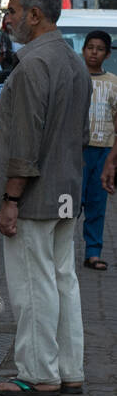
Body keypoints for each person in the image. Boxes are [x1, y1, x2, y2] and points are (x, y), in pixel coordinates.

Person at [0, 0, 90, 396]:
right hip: (65, 192)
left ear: (34, 15)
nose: (6, 20)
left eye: (11, 11)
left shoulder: (32, 65)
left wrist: (11, 200)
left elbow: (26, 145)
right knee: (62, 280)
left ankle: (37, 372)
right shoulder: (73, 61)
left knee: (34, 285)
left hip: (33, 198)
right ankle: (69, 370)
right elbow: (76, 133)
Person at [79, 30, 117, 270]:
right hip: (76, 152)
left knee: (97, 204)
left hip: (103, 152)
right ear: (83, 50)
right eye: (90, 47)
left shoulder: (113, 83)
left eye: (99, 49)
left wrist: (112, 159)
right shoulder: (74, 78)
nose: (94, 52)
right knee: (70, 205)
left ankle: (93, 252)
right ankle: (58, 254)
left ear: (107, 53)